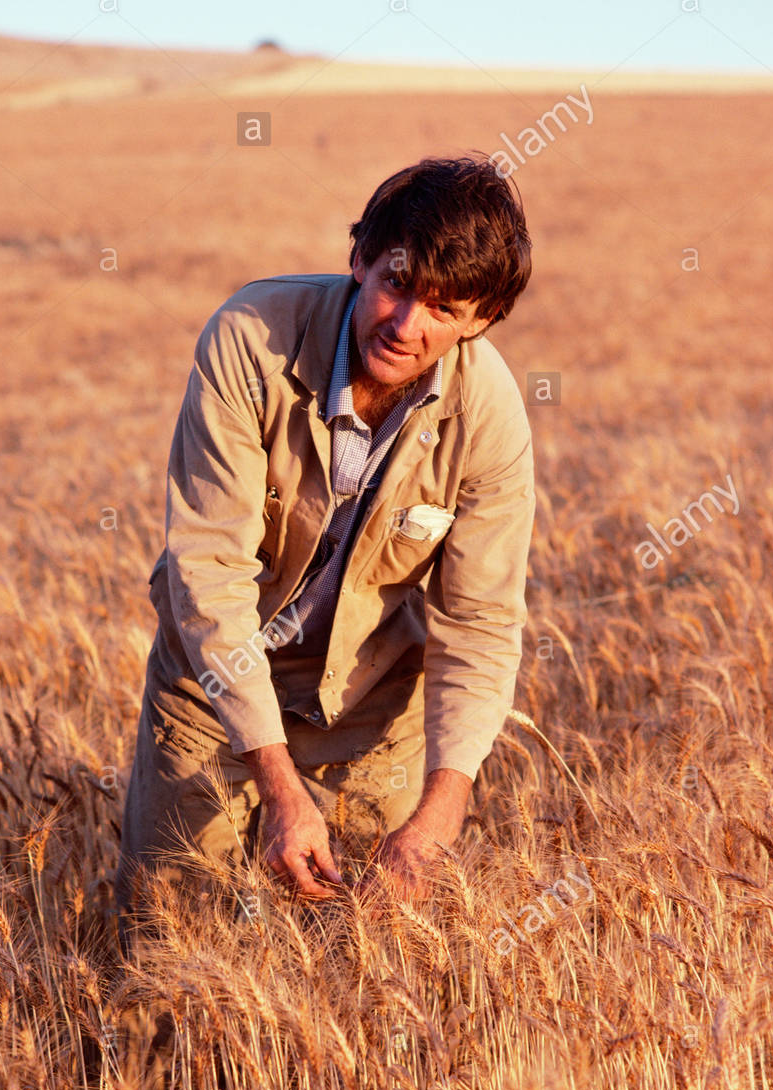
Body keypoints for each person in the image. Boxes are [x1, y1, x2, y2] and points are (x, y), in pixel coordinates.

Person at [114, 154, 535, 955]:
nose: (406, 323)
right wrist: (276, 781)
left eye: (442, 307)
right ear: (360, 260)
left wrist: (440, 809)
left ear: (480, 321)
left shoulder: (491, 417)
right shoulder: (250, 336)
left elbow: (478, 626)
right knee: (172, 942)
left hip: (369, 704)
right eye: (395, 283)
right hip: (210, 683)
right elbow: (209, 574)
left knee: (353, 958)